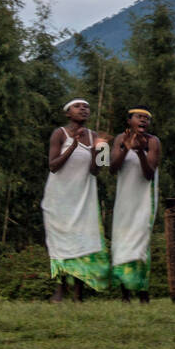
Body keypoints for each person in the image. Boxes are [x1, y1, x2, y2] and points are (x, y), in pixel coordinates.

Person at [43, 99, 111, 302]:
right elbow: (53, 166)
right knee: (61, 242)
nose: (83, 109)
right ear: (67, 113)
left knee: (82, 242)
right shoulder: (60, 133)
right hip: (59, 199)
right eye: (78, 106)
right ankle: (60, 288)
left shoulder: (94, 136)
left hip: (84, 199)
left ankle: (78, 293)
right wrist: (73, 145)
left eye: (86, 107)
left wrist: (101, 151)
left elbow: (97, 170)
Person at [110, 107, 160, 303]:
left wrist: (139, 152)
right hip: (124, 200)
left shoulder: (153, 142)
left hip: (144, 200)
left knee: (141, 244)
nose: (143, 121)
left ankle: (143, 292)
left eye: (146, 119)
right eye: (139, 117)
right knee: (122, 243)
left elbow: (149, 174)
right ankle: (125, 293)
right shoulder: (118, 139)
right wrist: (125, 149)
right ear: (129, 120)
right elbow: (112, 168)